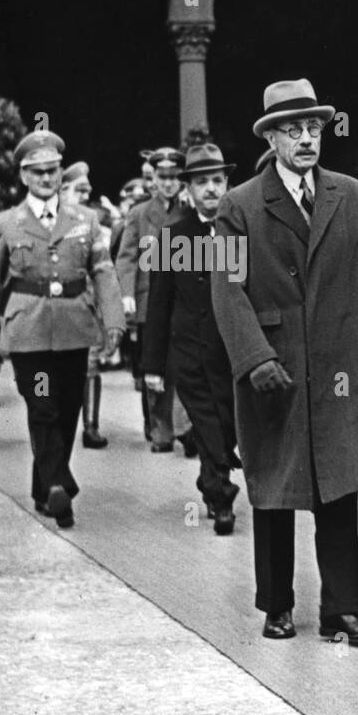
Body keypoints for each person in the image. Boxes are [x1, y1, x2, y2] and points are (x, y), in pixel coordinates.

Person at [212, 79, 358, 644]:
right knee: (275, 486)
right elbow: (227, 288)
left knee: (338, 485)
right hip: (276, 370)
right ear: (271, 137)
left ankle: (343, 608)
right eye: (292, 130)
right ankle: (277, 604)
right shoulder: (238, 205)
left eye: (313, 128)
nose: (305, 139)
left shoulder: (350, 195)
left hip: (344, 365)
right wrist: (253, 358)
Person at [0, 126, 124, 529]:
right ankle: (60, 483)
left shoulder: (85, 220)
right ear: (24, 176)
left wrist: (114, 324)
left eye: (52, 170)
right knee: (42, 405)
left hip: (75, 328)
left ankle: (45, 490)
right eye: (36, 172)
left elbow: (104, 272)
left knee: (69, 409)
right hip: (30, 335)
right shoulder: (8, 223)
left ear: (60, 173)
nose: (46, 178)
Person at [142, 143, 241, 535]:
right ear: (188, 189)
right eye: (202, 182)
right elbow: (159, 303)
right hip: (190, 351)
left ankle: (209, 479)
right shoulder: (171, 237)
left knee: (228, 423)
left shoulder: (240, 231)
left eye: (217, 180)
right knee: (205, 423)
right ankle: (221, 496)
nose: (211, 189)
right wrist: (152, 365)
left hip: (233, 350)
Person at [116, 147, 186, 451]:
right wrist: (127, 294)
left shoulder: (189, 210)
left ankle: (186, 427)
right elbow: (127, 257)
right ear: (153, 178)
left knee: (184, 365)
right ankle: (160, 430)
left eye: (174, 177)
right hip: (149, 302)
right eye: (162, 177)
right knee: (155, 366)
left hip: (184, 301)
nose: (168, 183)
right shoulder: (139, 213)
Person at [60, 161, 110, 449]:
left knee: (91, 366)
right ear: (62, 190)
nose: (83, 196)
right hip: (57, 311)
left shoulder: (93, 225)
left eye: (86, 191)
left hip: (88, 307)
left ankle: (91, 426)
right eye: (78, 190)